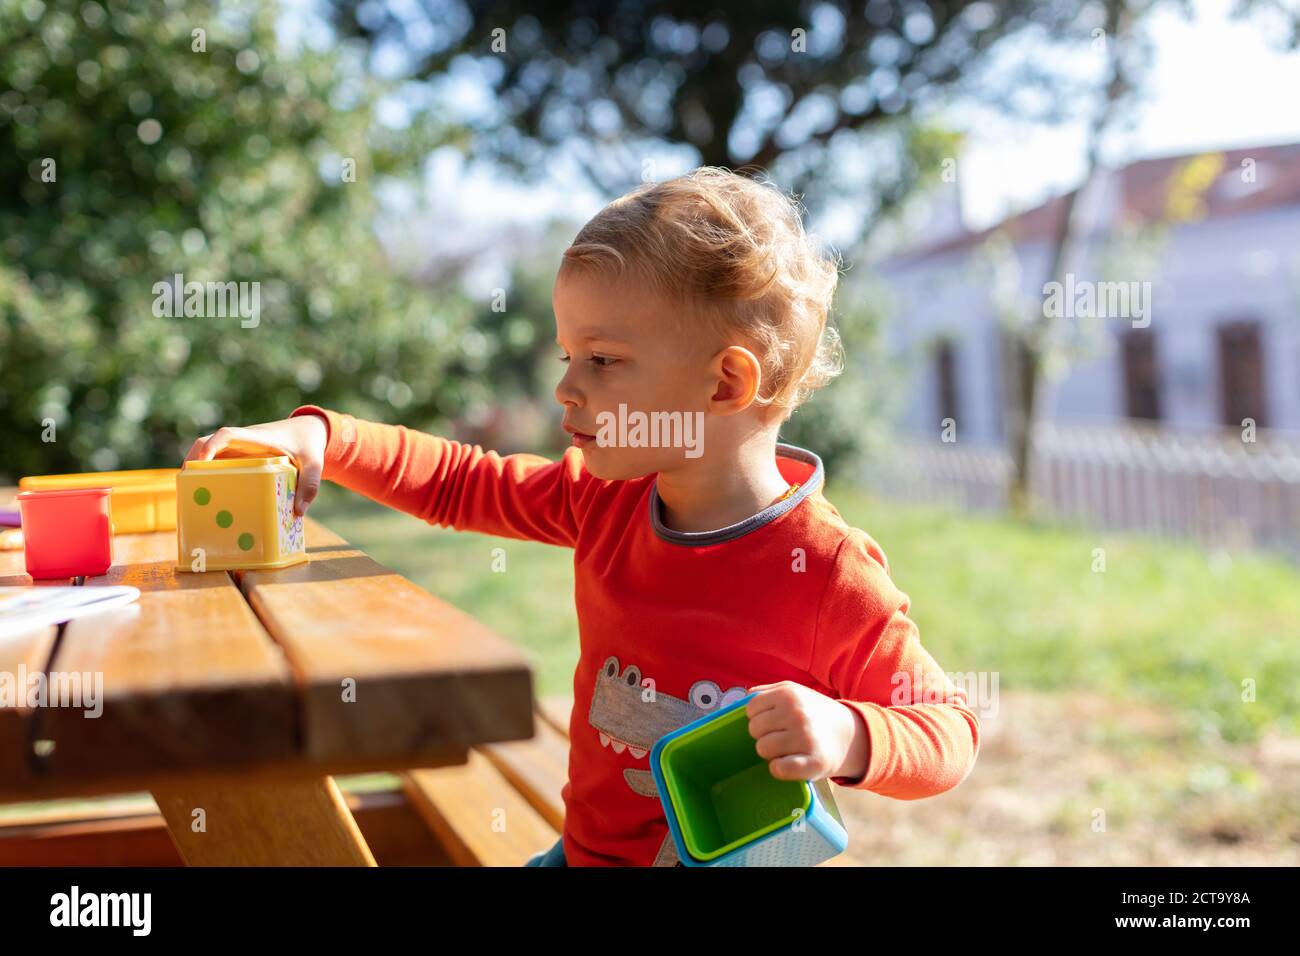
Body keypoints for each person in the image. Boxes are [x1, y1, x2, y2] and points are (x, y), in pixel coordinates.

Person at [185, 167, 980, 867]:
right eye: (569, 356)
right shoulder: (607, 502)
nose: (568, 388)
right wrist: (323, 435)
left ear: (725, 384)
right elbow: (463, 482)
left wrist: (849, 735)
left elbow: (947, 730)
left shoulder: (824, 570)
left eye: (602, 360)